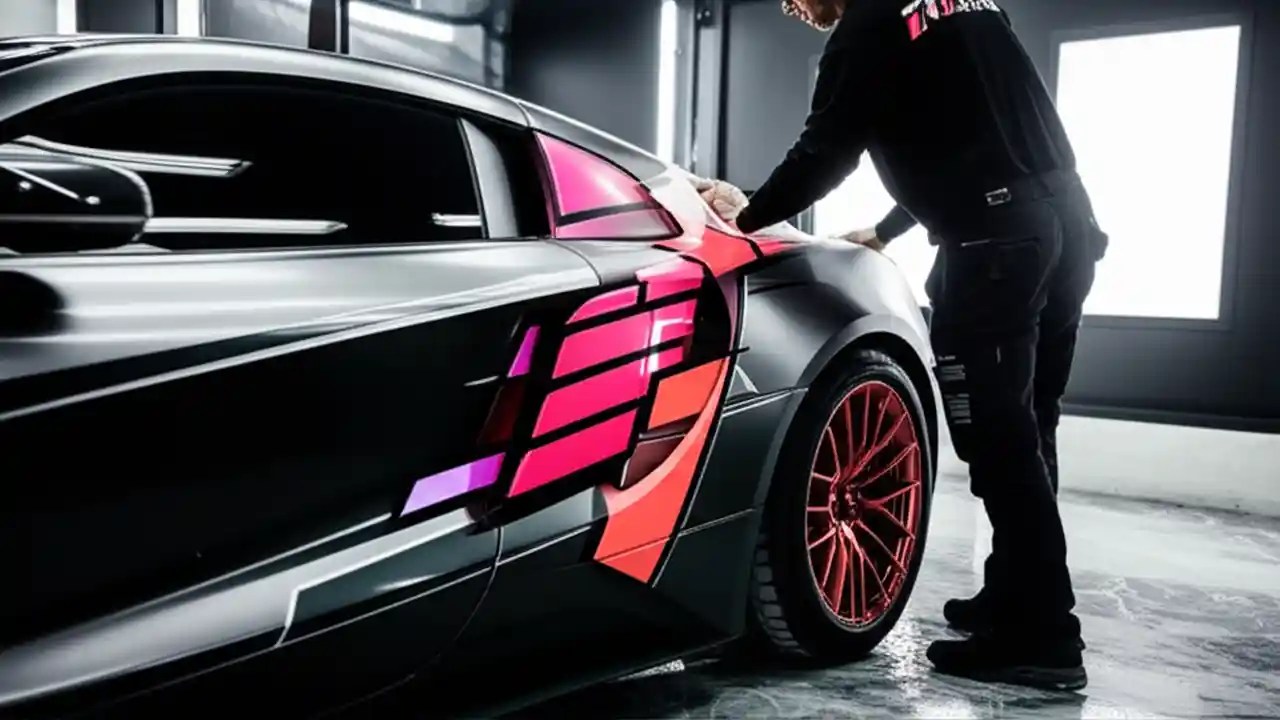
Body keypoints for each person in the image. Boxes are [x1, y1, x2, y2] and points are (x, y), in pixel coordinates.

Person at [696, 0, 1108, 691]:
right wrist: (887, 232)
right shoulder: (966, 4)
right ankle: (1012, 598)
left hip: (997, 244)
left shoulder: (868, 22)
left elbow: (827, 148)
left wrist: (750, 209)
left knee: (1000, 438)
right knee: (1031, 427)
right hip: (1063, 227)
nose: (794, 8)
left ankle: (1045, 637)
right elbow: (968, 128)